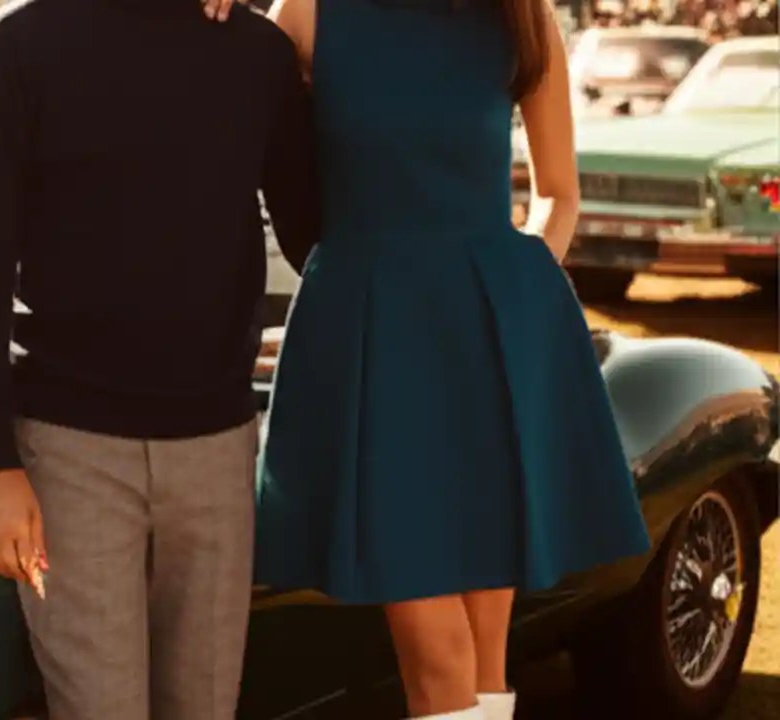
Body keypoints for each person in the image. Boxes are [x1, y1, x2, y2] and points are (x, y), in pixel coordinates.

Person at [195, 0, 652, 718]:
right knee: (439, 649)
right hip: (372, 346)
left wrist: (521, 284)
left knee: (487, 654)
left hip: (489, 342)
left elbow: (559, 193)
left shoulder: (521, 17)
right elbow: (220, 101)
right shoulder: (309, 12)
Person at [0, 0, 319, 717]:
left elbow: (321, 240)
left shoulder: (253, 51)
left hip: (218, 448)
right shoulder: (12, 47)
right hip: (66, 456)